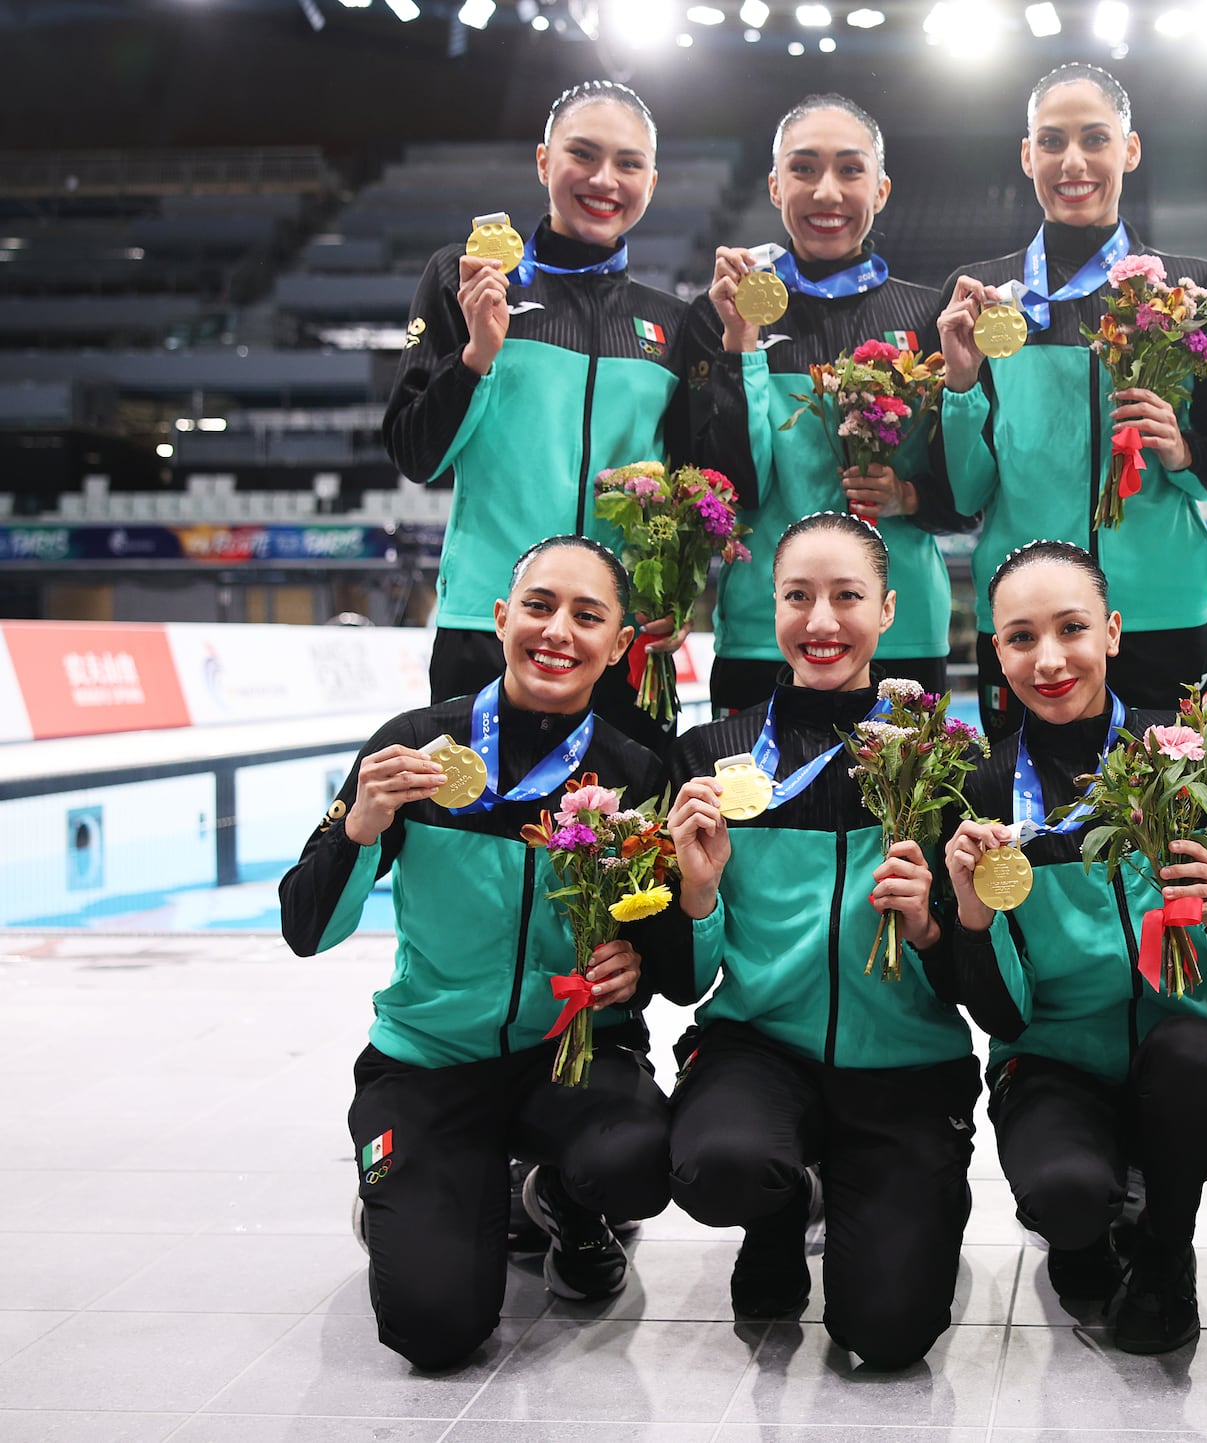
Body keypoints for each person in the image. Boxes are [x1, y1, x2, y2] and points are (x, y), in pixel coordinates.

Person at [279, 535, 674, 1371]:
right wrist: (361, 826)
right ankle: (418, 1185)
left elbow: (657, 936)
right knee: (436, 1331)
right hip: (430, 1061)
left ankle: (566, 1201)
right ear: (501, 618)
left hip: (565, 1056)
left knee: (638, 1159)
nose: (558, 631)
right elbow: (305, 928)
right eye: (538, 606)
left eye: (587, 615)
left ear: (616, 644)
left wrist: (631, 963)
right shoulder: (415, 748)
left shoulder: (634, 773)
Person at [651, 510, 980, 1368]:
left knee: (888, 1336)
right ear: (772, 606)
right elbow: (685, 984)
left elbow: (981, 983)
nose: (822, 622)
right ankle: (777, 1211)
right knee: (721, 1162)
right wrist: (697, 890)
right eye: (799, 596)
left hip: (905, 1067)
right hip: (761, 1049)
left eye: (847, 596)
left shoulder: (940, 761)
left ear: (889, 609)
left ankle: (893, 1197)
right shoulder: (713, 758)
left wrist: (932, 925)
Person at [942, 540, 1207, 1353]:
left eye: (1071, 628)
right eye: (1019, 637)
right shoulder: (977, 788)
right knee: (1068, 1195)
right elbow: (998, 1010)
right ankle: (1086, 1224)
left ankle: (1165, 1240)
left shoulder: (1183, 757)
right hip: (1049, 1057)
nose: (1048, 660)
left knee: (1189, 1062)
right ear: (995, 650)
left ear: (1112, 632)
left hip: (1181, 1047)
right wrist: (974, 917)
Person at [383, 80, 691, 754]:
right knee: (473, 846)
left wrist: (680, 592)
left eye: (629, 163)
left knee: (627, 851)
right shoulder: (462, 278)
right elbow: (413, 451)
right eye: (583, 154)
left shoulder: (672, 323)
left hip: (621, 639)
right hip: (489, 626)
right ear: (544, 161)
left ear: (653, 180)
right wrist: (476, 354)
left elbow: (690, 487)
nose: (605, 179)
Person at [936, 62, 1207, 738]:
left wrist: (1182, 449)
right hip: (1026, 618)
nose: (1073, 161)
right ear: (1026, 155)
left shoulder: (1189, 288)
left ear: (1129, 149)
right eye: (1051, 141)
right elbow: (963, 496)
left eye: (1095, 138)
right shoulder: (982, 296)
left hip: (1161, 610)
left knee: (1171, 821)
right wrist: (959, 387)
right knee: (1031, 820)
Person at [685, 94, 967, 716]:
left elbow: (971, 497)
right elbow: (734, 490)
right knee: (756, 812)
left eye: (850, 169)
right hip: (767, 631)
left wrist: (909, 496)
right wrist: (741, 347)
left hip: (904, 628)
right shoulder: (725, 310)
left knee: (904, 812)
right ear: (774, 184)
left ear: (883, 188)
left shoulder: (928, 317)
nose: (827, 192)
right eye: (804, 168)